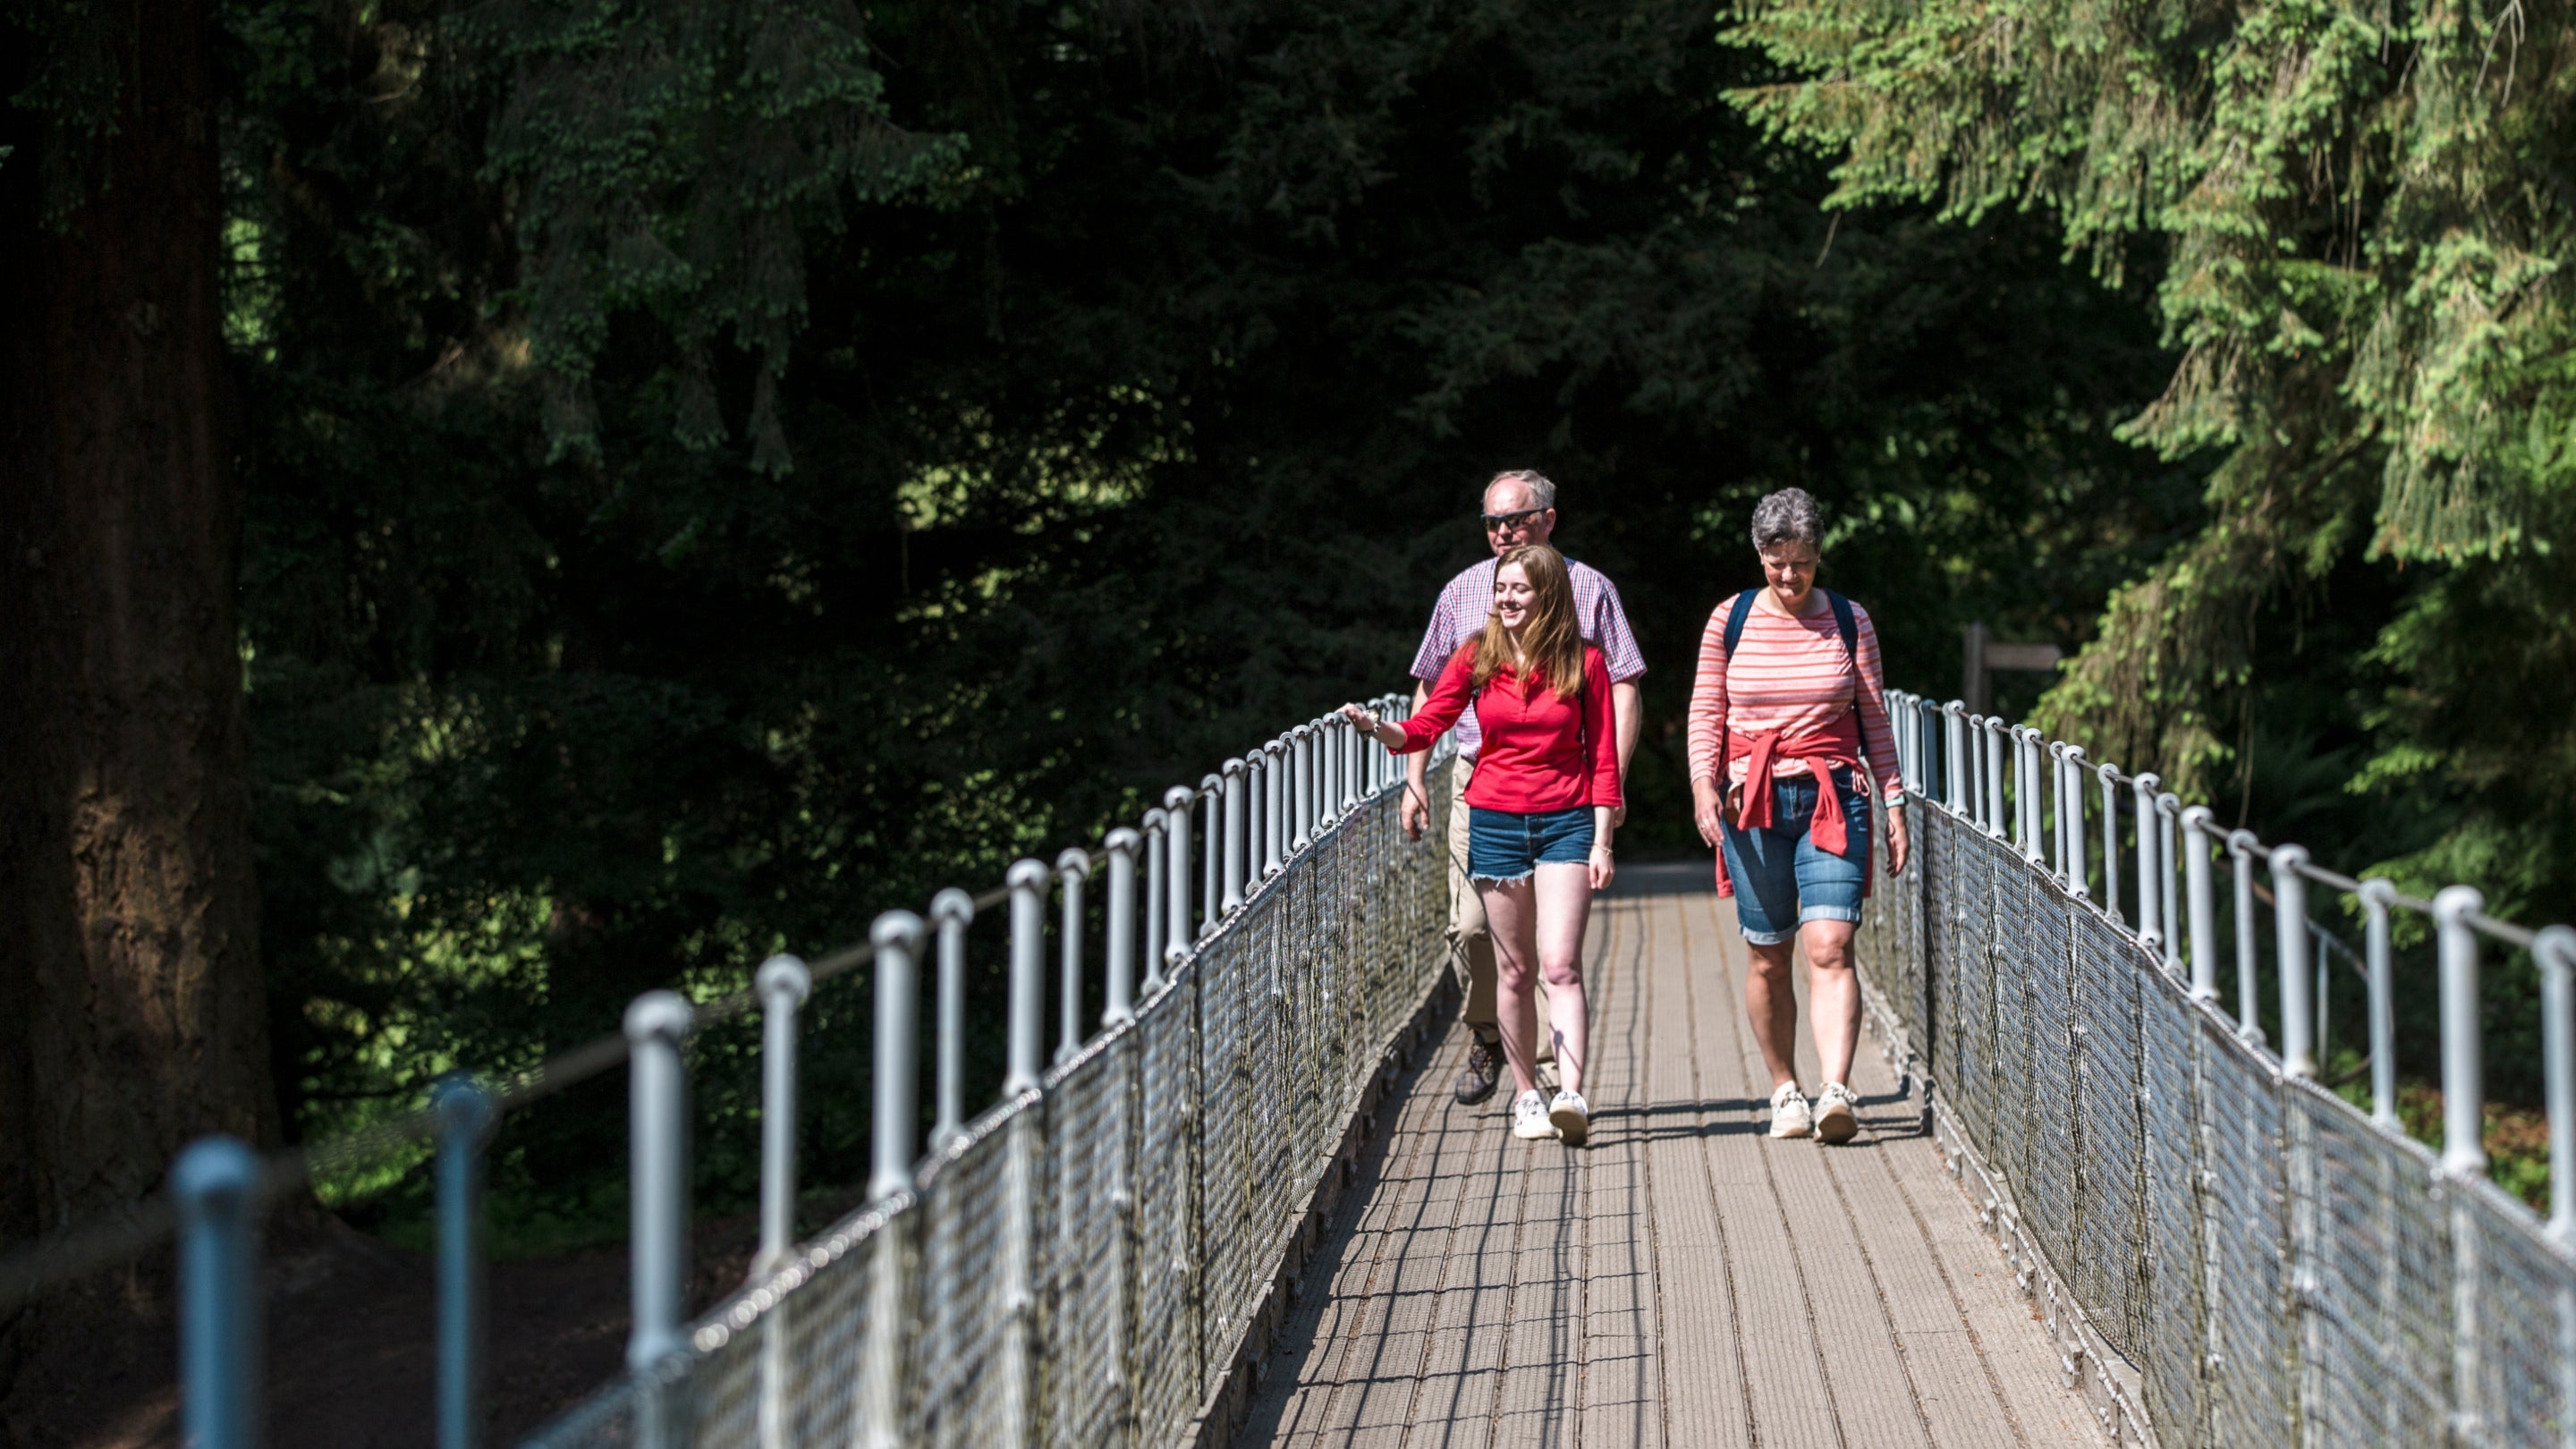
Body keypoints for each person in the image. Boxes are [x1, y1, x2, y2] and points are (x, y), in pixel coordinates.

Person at [1350, 544, 1620, 1144]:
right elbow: (1426, 726)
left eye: (1519, 590)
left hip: (1567, 820)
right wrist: (1377, 729)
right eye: (1501, 590)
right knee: (1515, 970)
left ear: (1547, 594)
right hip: (1495, 818)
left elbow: (1602, 758)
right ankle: (1527, 1097)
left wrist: (1602, 841)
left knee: (1560, 964)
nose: (1506, 599)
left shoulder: (1586, 662)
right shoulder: (1477, 655)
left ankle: (1570, 1094)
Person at [1402, 470, 1644, 1106]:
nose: (1503, 532)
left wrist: (1608, 795)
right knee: (1474, 929)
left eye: (1515, 519)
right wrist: (1413, 777)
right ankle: (1491, 1032)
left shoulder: (1590, 590)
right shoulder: (1462, 593)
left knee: (1554, 953)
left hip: (1567, 781)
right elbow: (1431, 684)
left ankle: (1545, 1076)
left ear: (1549, 519)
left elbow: (1620, 684)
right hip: (1480, 781)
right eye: (1491, 522)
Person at [1685, 487, 1909, 1145]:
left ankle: (1836, 1090)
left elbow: (1874, 720)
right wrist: (1703, 785)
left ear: (1818, 557)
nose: (1789, 576)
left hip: (1833, 795)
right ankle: (1785, 1088)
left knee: (1831, 944)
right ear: (1759, 555)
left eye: (1802, 563)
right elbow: (1706, 713)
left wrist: (1894, 803)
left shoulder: (1848, 619)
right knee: (1767, 954)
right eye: (1777, 562)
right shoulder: (1729, 619)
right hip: (1749, 802)